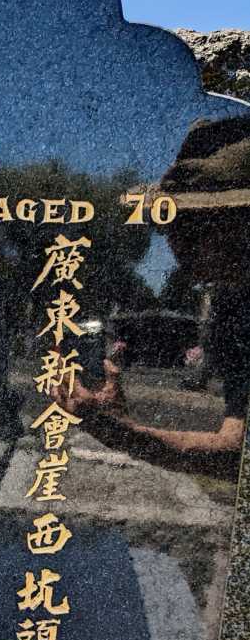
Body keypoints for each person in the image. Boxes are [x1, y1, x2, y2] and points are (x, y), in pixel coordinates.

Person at [55, 115, 250, 479]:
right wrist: (118, 430)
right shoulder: (234, 305)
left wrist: (122, 433)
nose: (175, 242)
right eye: (168, 225)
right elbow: (235, 451)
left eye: (195, 224)